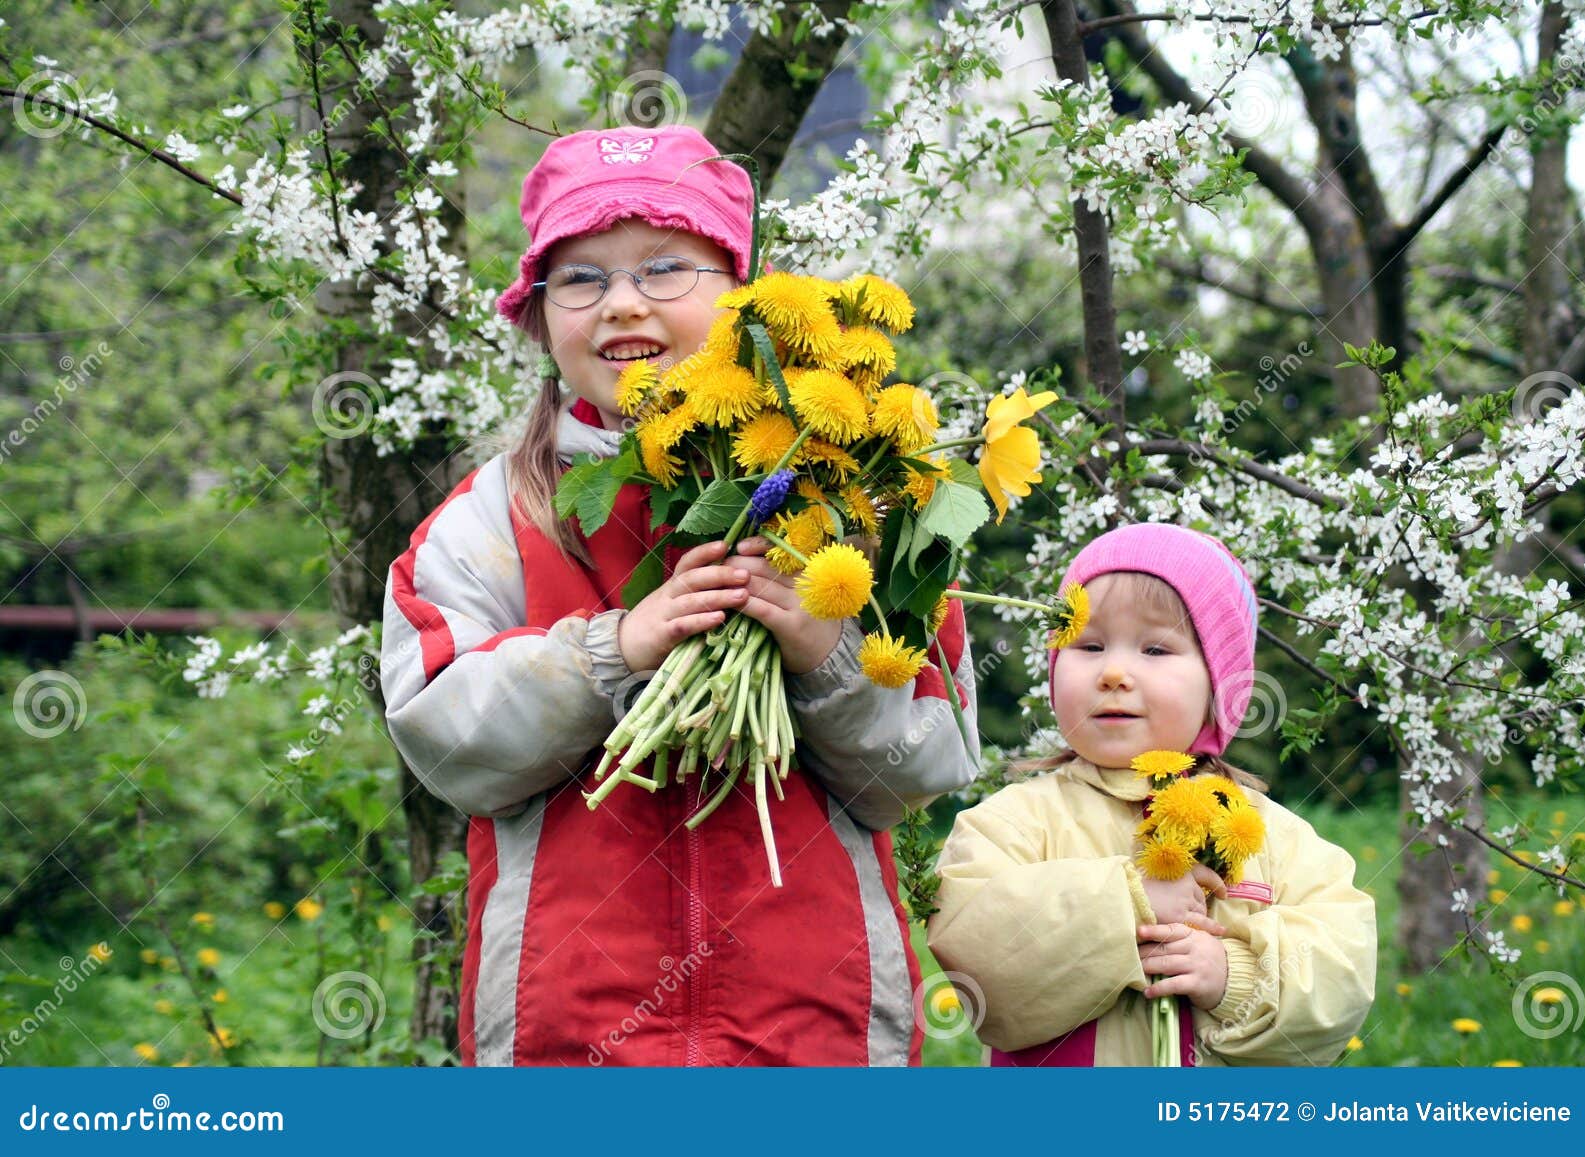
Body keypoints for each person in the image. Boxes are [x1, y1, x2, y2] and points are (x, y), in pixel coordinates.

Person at [380, 125, 980, 1066]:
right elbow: (449, 743)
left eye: (665, 268)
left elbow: (925, 763)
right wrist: (614, 650)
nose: (622, 303)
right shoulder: (489, 520)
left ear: (743, 299)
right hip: (569, 1029)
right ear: (538, 317)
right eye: (580, 278)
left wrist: (825, 657)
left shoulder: (856, 500)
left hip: (814, 1024)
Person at [926, 522, 1375, 1065]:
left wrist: (1233, 977)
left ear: (1220, 684)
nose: (1114, 671)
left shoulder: (1271, 835)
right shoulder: (1015, 822)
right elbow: (979, 958)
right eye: (1088, 645)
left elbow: (1343, 968)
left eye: (1156, 649)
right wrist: (1126, 904)